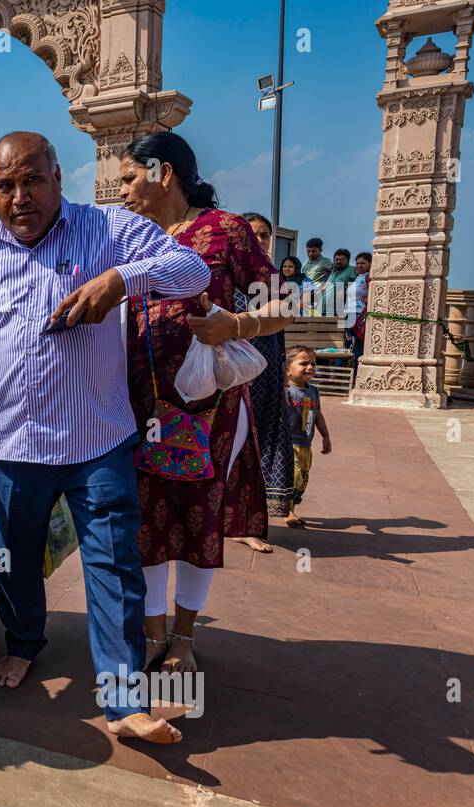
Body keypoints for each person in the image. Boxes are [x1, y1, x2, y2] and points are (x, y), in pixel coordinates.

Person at [0, 131, 211, 745]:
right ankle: (24, 644)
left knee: (114, 565)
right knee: (15, 560)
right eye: (6, 185)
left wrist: (120, 282)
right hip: (10, 446)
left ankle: (124, 700)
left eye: (33, 180)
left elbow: (191, 270)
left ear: (58, 177)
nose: (20, 196)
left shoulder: (107, 230)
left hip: (97, 439)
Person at [117, 131, 294, 677]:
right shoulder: (128, 234)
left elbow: (283, 303)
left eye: (128, 178)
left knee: (201, 516)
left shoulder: (227, 230)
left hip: (210, 405)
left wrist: (234, 325)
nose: (120, 190)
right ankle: (150, 635)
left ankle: (184, 637)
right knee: (143, 516)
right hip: (136, 402)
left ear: (161, 173)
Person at [231, 212, 297, 551]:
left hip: (268, 370)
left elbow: (284, 320)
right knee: (238, 442)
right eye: (254, 234)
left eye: (265, 235)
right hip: (236, 372)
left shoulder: (271, 278)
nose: (261, 240)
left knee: (263, 441)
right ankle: (237, 522)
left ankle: (246, 520)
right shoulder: (230, 271)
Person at [285, 346, 332, 528]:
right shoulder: (287, 391)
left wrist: (325, 435)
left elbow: (318, 414)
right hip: (289, 443)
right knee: (294, 476)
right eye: (303, 363)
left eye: (313, 363)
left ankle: (291, 508)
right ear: (288, 369)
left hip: (306, 444)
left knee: (303, 480)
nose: (310, 367)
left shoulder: (313, 391)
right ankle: (286, 511)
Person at [346, 251, 371, 362]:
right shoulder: (357, 277)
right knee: (348, 345)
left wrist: (368, 299)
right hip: (349, 313)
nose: (360, 265)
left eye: (363, 263)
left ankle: (357, 373)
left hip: (359, 314)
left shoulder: (370, 278)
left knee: (358, 347)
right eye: (358, 263)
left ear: (370, 264)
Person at [322, 248, 357, 318]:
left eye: (343, 259)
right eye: (337, 259)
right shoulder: (332, 273)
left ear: (348, 261)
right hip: (323, 311)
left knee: (338, 329)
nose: (339, 262)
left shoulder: (352, 270)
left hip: (338, 313)